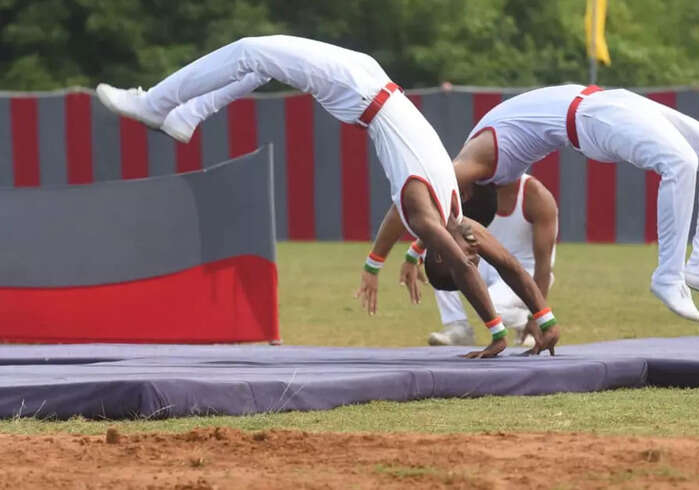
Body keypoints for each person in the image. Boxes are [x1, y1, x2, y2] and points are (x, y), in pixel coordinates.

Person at [94, 34, 554, 358]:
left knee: (250, 49)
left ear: (442, 254)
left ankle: (154, 105)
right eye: (473, 254)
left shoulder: (423, 215)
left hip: (358, 92)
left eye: (467, 258)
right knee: (260, 62)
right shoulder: (455, 213)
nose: (475, 252)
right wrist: (545, 318)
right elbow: (510, 266)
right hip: (371, 82)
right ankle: (188, 116)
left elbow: (457, 263)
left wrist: (495, 332)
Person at [365, 84, 699, 322]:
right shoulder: (492, 171)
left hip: (607, 103)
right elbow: (444, 220)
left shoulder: (474, 165)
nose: (471, 253)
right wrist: (418, 248)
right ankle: (668, 276)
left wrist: (381, 258)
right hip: (593, 119)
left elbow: (412, 196)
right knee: (681, 162)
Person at [428, 174, 558, 346]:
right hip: (486, 261)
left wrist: (537, 318)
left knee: (493, 306)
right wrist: (413, 255)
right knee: (440, 260)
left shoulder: (537, 197)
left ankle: (524, 322)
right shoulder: (469, 187)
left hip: (525, 271)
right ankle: (458, 327)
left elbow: (544, 267)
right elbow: (440, 224)